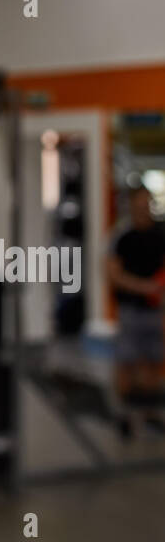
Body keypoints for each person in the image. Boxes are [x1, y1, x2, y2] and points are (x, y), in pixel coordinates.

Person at [107, 185, 165, 439]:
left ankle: (151, 414)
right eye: (138, 203)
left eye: (146, 203)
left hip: (155, 311)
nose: (143, 208)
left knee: (153, 362)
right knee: (127, 362)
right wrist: (143, 287)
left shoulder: (160, 235)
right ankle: (124, 415)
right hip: (131, 310)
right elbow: (113, 274)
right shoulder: (122, 237)